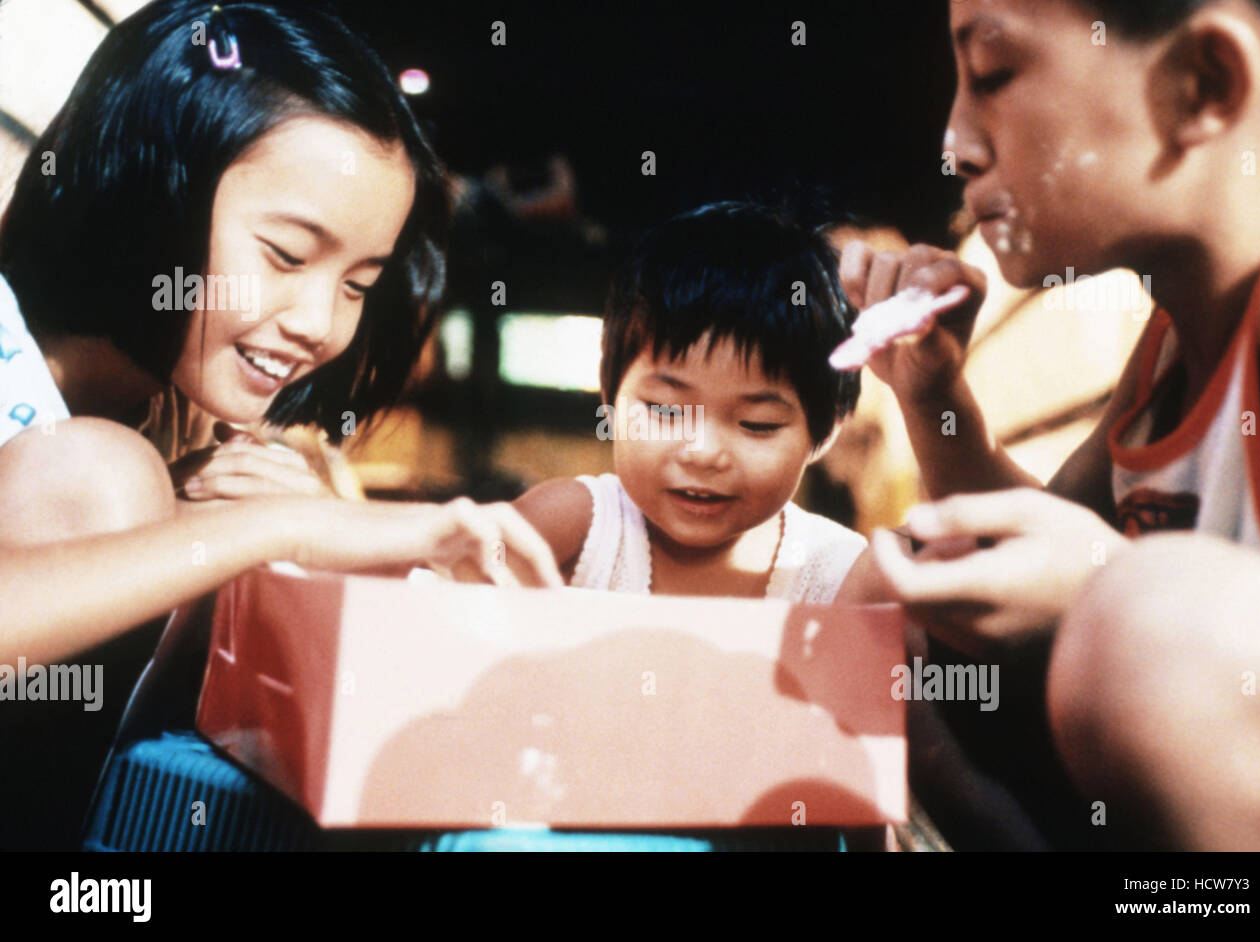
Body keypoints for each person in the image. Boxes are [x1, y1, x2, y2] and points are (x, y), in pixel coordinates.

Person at [0, 0, 559, 848]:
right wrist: (278, 526)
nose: (320, 325)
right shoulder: (96, 457)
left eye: (358, 284)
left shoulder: (183, 426)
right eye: (288, 256)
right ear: (151, 186)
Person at [835, 0, 1260, 849]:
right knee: (885, 607)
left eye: (994, 75)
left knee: (1141, 620)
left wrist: (1103, 586)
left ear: (1204, 87)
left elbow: (1118, 607)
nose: (957, 143)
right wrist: (933, 396)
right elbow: (1025, 558)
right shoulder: (1172, 346)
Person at [514, 202, 883, 607]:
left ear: (825, 429)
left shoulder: (837, 573)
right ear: (611, 397)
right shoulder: (578, 528)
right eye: (667, 410)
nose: (703, 453)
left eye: (756, 424)